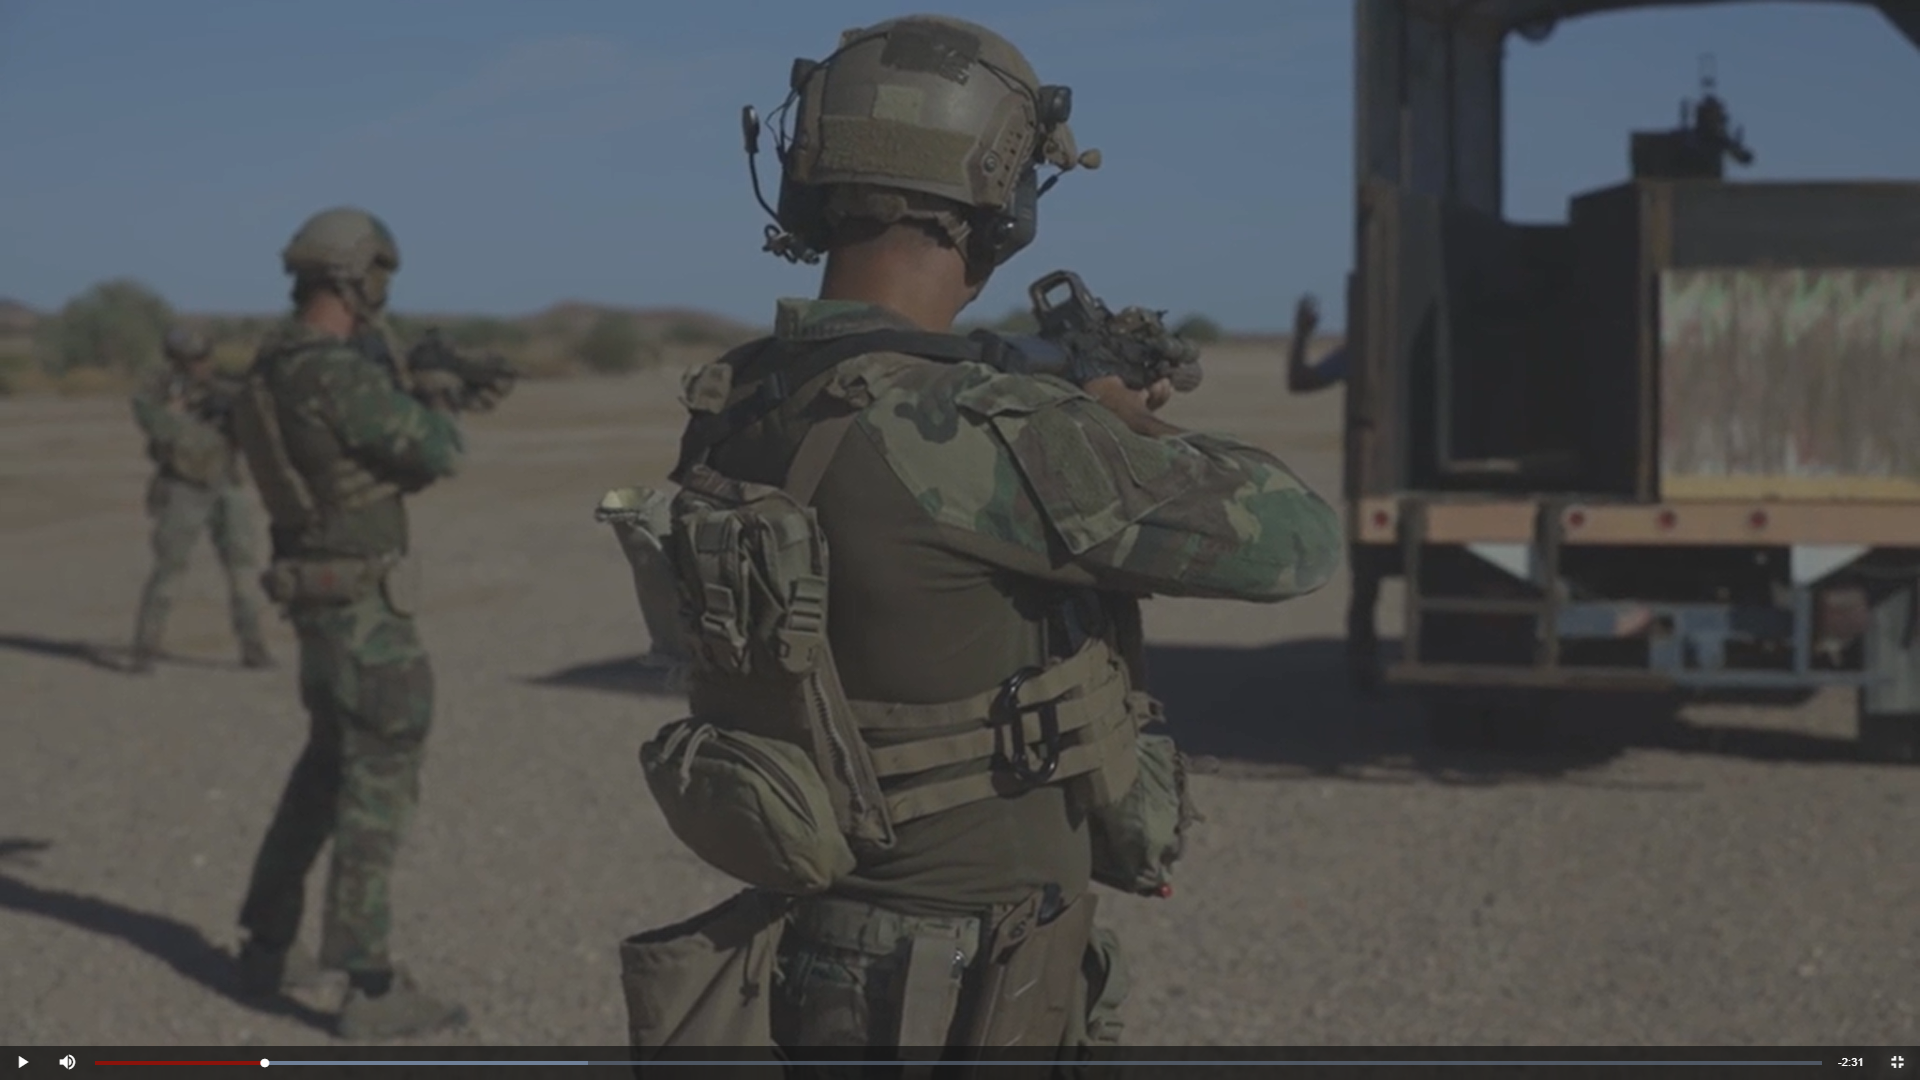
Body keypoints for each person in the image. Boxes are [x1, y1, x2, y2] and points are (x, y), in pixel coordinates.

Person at [627, 15, 1343, 1058]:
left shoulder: (737, 399)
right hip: (956, 981)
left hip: (814, 946)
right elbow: (1297, 540)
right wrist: (1120, 416)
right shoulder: (980, 428)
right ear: (1000, 201)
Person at [226, 206, 467, 1040]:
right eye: (379, 274)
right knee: (378, 780)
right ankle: (367, 984)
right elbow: (437, 451)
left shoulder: (272, 367)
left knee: (326, 769)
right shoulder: (336, 373)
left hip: (319, 598)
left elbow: (353, 465)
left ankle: (267, 943)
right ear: (355, 276)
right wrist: (437, 392)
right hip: (365, 611)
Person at [127, 326, 273, 673]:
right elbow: (155, 422)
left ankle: (253, 648)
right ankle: (145, 649)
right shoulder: (159, 391)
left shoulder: (225, 386)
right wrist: (182, 415)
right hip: (182, 487)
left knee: (242, 568)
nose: (202, 365)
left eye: (204, 357)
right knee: (169, 570)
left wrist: (236, 410)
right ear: (177, 362)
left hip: (226, 483)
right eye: (193, 360)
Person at [1286, 292, 1383, 691]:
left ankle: (1363, 664)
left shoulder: (1362, 353)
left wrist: (1301, 335)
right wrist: (1302, 336)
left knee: (1367, 586)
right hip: (1375, 482)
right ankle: (1363, 664)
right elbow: (1301, 382)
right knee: (1366, 585)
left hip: (1374, 481)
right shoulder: (1360, 354)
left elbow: (1301, 381)